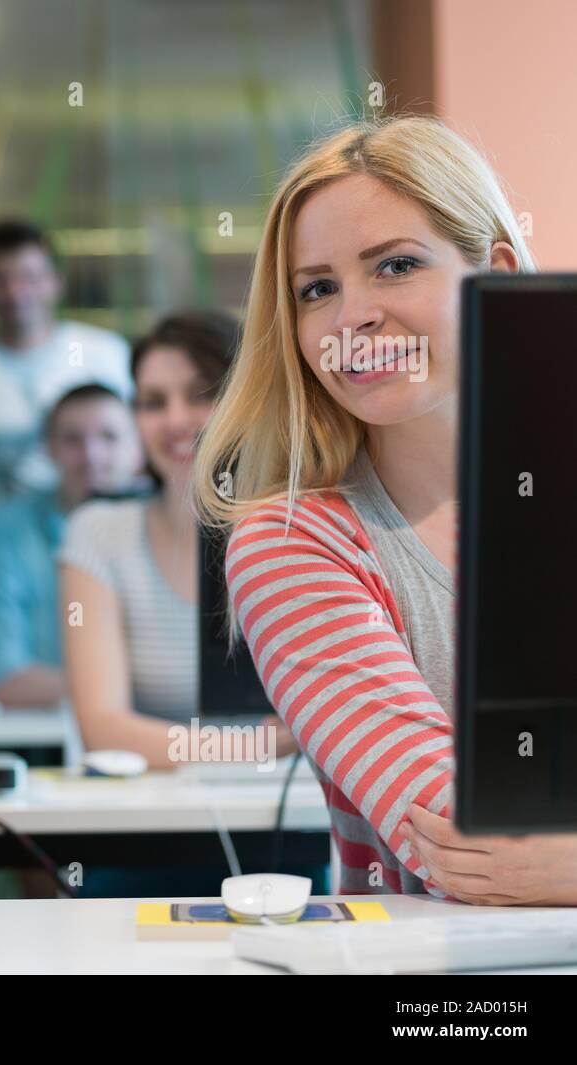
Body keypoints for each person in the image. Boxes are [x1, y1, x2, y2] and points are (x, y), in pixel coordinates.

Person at [194, 116, 577, 905]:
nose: (351, 317)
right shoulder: (293, 544)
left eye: (396, 265)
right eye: (317, 289)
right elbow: (468, 840)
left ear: (496, 274)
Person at [61, 312, 291, 762]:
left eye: (199, 395)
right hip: (157, 816)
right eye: (153, 402)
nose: (176, 420)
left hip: (294, 809)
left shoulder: (299, 529)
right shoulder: (98, 534)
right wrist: (257, 748)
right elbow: (102, 728)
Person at [0, 384, 141, 709]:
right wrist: (111, 686)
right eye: (73, 439)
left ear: (137, 446)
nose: (92, 455)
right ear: (48, 448)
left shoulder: (171, 523)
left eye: (109, 437)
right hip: (47, 735)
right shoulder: (9, 528)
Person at [0, 219, 133, 503]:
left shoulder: (106, 354)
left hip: (103, 526)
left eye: (29, 277)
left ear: (56, 282)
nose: (15, 293)